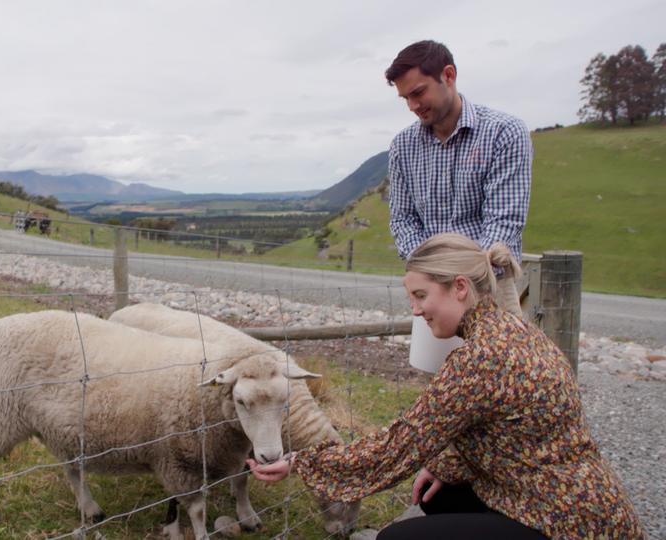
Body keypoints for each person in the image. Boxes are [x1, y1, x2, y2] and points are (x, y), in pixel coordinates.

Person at [246, 233, 645, 539]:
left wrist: (302, 462)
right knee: (440, 495)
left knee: (394, 538)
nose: (416, 309)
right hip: (587, 502)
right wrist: (447, 465)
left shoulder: (481, 359)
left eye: (421, 295)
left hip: (567, 523)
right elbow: (508, 432)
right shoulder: (514, 329)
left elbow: (397, 447)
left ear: (460, 287)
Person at [386, 40, 531, 316]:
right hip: (431, 290)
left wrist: (459, 280)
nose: (413, 106)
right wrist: (434, 278)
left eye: (418, 93)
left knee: (497, 348)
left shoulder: (504, 132)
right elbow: (402, 220)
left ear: (449, 75)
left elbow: (504, 221)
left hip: (489, 288)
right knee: (429, 350)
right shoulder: (402, 146)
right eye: (405, 98)